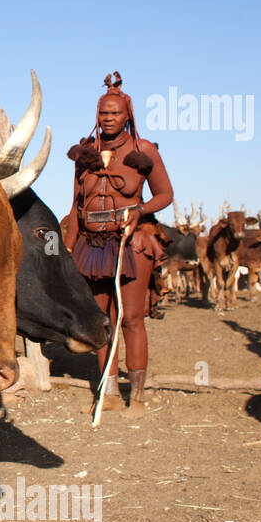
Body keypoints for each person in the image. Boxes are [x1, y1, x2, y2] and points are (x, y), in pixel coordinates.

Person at [63, 73, 174, 418]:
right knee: (101, 319)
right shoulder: (86, 153)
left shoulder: (144, 151)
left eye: (114, 113)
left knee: (132, 319)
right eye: (103, 113)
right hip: (92, 243)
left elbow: (165, 195)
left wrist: (139, 211)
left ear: (128, 116)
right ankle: (108, 392)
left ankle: (137, 398)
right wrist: (68, 248)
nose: (108, 119)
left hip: (131, 242)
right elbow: (75, 204)